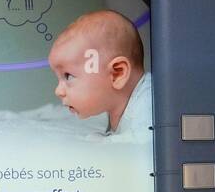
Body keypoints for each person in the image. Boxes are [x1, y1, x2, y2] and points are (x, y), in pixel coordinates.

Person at [47, 9, 152, 138]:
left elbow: (147, 143)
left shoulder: (149, 106)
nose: (58, 91)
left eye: (68, 76)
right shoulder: (117, 103)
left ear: (117, 74)